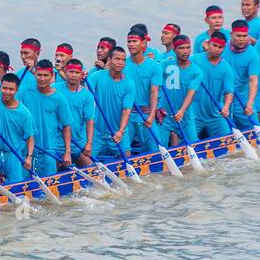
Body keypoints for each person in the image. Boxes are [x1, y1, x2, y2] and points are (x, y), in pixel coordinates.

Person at [0, 74, 35, 181]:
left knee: (16, 186)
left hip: (12, 152)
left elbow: (30, 137)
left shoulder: (25, 114)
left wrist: (29, 157)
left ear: (17, 90)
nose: (7, 92)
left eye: (11, 89)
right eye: (4, 88)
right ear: (0, 87)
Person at [86, 47, 134, 160]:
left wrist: (121, 131)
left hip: (118, 130)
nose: (120, 62)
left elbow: (127, 110)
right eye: (117, 59)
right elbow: (85, 95)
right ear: (110, 60)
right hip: (97, 130)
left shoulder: (129, 83)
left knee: (126, 158)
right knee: (85, 160)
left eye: (123, 60)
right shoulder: (97, 77)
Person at [156, 35, 203, 145]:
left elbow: (191, 94)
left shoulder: (196, 72)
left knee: (195, 148)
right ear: (174, 50)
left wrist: (182, 111)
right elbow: (153, 84)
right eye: (181, 48)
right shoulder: (165, 64)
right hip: (165, 117)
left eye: (188, 47)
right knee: (158, 150)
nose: (185, 51)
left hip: (185, 118)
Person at [124, 25, 162, 154]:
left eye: (135, 41)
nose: (131, 45)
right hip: (127, 115)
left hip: (145, 115)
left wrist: (151, 115)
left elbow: (154, 92)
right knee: (121, 151)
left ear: (143, 43)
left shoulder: (154, 66)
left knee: (155, 151)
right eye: (129, 41)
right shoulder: (122, 64)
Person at [192, 34, 236, 139]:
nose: (216, 49)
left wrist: (226, 107)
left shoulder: (227, 69)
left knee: (227, 143)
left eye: (220, 47)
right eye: (214, 45)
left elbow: (229, 92)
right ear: (208, 44)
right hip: (193, 114)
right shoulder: (194, 60)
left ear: (224, 48)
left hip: (215, 115)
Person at [56, 60, 96, 167]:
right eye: (71, 71)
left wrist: (89, 144)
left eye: (77, 72)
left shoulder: (87, 96)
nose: (73, 75)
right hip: (57, 144)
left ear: (82, 74)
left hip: (78, 144)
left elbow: (90, 122)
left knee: (92, 169)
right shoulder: (54, 89)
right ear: (65, 71)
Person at [15, 38, 41, 103]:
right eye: (21, 53)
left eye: (26, 53)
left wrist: (33, 71)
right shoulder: (18, 74)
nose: (23, 56)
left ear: (37, 53)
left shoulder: (49, 71)